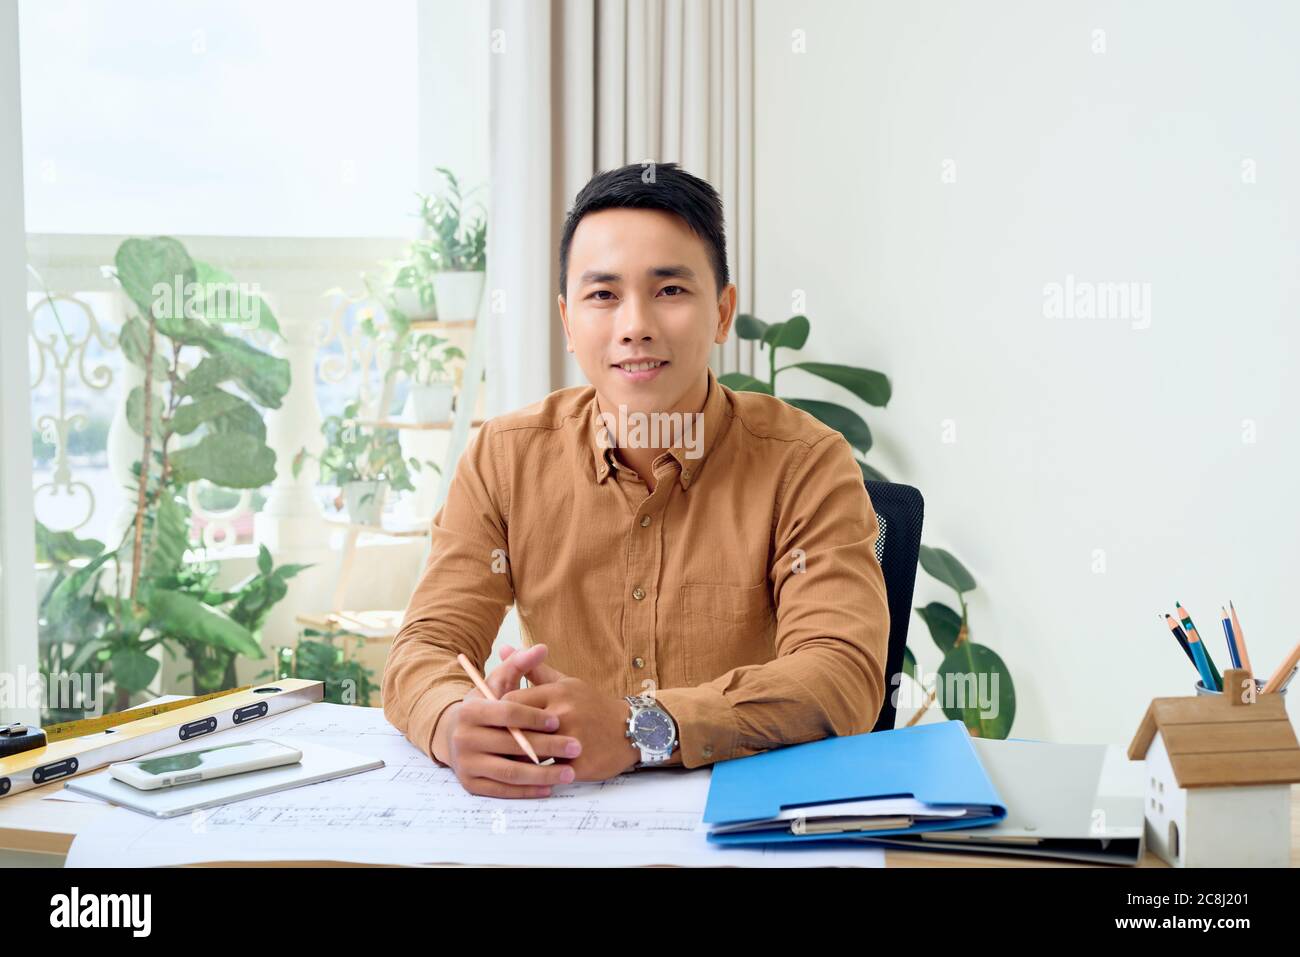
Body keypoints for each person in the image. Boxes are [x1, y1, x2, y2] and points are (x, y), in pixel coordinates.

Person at [382, 161, 889, 798]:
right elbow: (428, 643)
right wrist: (451, 719)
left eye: (670, 291)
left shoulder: (804, 461)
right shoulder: (504, 458)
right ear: (568, 321)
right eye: (603, 295)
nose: (635, 325)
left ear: (722, 312)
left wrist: (639, 729)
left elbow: (841, 674)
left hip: (744, 816)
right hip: (561, 819)